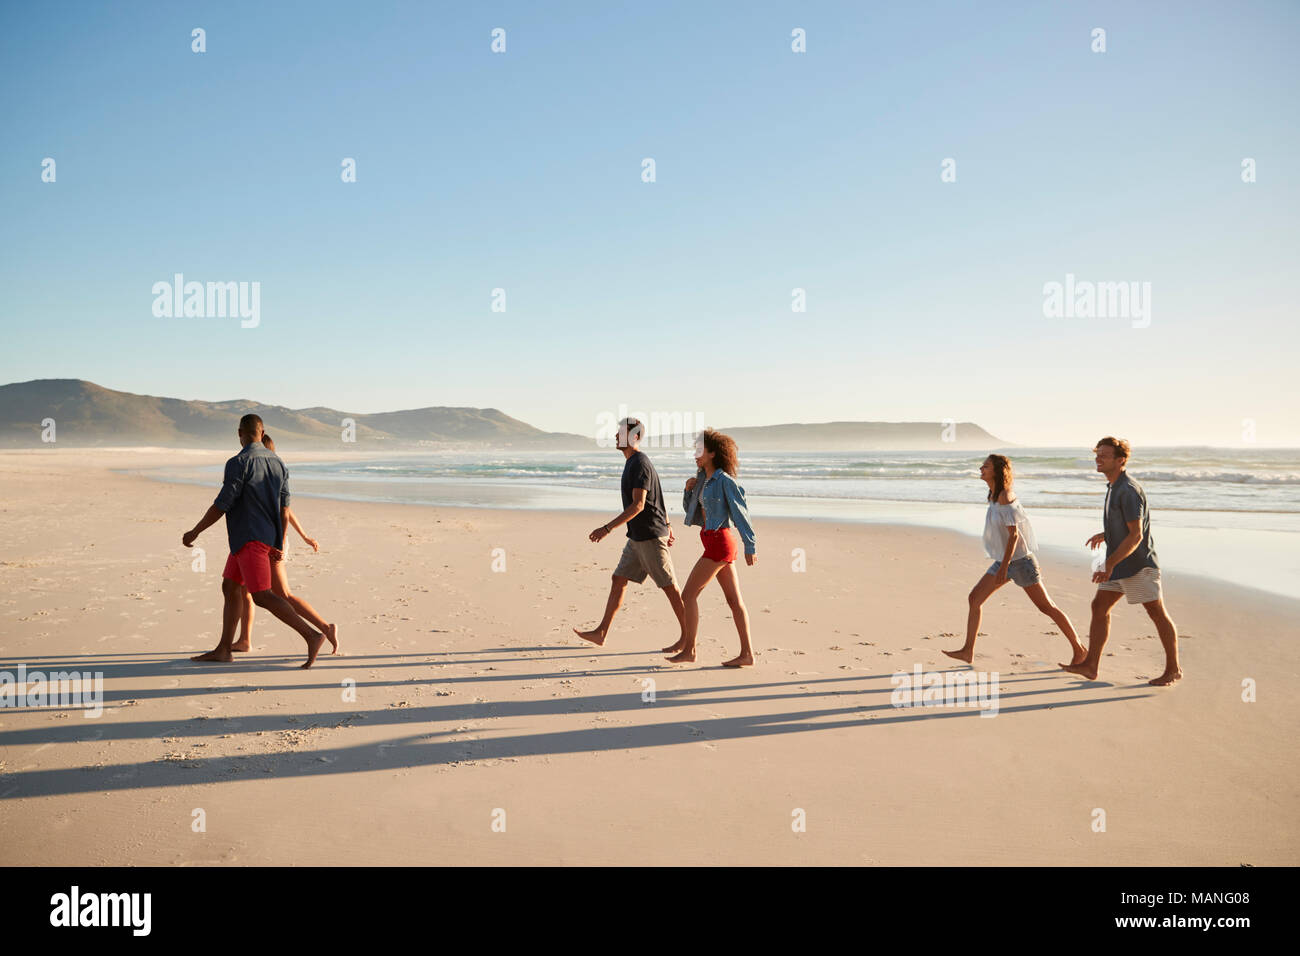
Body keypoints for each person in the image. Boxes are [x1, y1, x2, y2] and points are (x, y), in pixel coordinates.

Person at [181, 414, 331, 668]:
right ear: (262, 433)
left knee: (261, 595)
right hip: (253, 540)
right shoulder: (279, 463)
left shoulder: (238, 462)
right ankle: (224, 649)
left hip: (249, 537)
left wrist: (195, 531)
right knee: (230, 587)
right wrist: (279, 543)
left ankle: (312, 635)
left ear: (240, 433)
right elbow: (285, 509)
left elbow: (222, 504)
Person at [943, 455, 1085, 666]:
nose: (981, 468)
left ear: (997, 471)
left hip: (1019, 563)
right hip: (1005, 561)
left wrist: (1004, 568)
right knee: (975, 599)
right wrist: (1003, 565)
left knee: (1047, 607)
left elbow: (1014, 535)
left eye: (986, 466)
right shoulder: (993, 495)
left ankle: (1080, 649)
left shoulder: (1004, 496)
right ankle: (967, 651)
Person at [1063, 437, 1182, 685]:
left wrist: (1109, 564)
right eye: (1098, 454)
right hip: (1118, 564)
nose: (1099, 458)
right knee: (1099, 607)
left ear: (1121, 460)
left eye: (1105, 455)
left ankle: (1173, 669)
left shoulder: (1127, 490)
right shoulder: (1113, 487)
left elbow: (1137, 535)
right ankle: (1091, 665)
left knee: (1156, 613)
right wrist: (1107, 534)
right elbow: (1126, 527)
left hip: (1138, 565)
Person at [573, 418, 686, 647]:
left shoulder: (639, 463)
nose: (616, 436)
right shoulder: (632, 462)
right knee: (618, 578)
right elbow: (658, 495)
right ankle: (601, 632)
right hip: (637, 536)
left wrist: (607, 529)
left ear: (635, 437)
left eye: (621, 432)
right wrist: (668, 522)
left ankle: (689, 637)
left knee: (670, 587)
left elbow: (639, 505)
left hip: (650, 536)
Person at [231, 433, 338, 656]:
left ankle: (325, 628)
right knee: (244, 591)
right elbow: (286, 510)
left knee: (282, 594)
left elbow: (285, 511)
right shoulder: (269, 474)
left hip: (270, 543)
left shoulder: (267, 475)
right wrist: (304, 536)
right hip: (266, 540)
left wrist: (284, 542)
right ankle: (244, 640)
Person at [667, 429, 757, 666]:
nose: (695, 455)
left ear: (713, 453)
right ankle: (747, 654)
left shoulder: (724, 481)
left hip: (720, 543)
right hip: (711, 540)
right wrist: (687, 490)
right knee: (734, 601)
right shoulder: (700, 480)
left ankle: (690, 650)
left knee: (688, 595)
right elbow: (691, 512)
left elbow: (741, 513)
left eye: (699, 450)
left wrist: (750, 544)